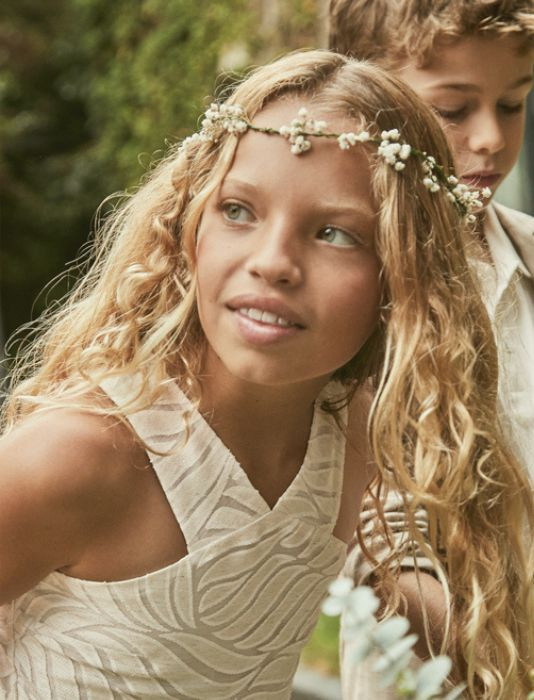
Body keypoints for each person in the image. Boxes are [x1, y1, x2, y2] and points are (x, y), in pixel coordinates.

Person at [0, 49, 532, 699]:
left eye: (334, 233)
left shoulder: (353, 438)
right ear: (188, 228)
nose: (273, 261)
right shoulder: (82, 453)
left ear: (405, 273)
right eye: (238, 211)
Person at [329, 1, 534, 698]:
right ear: (362, 103)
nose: (491, 139)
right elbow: (374, 542)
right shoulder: (348, 290)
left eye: (513, 104)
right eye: (453, 110)